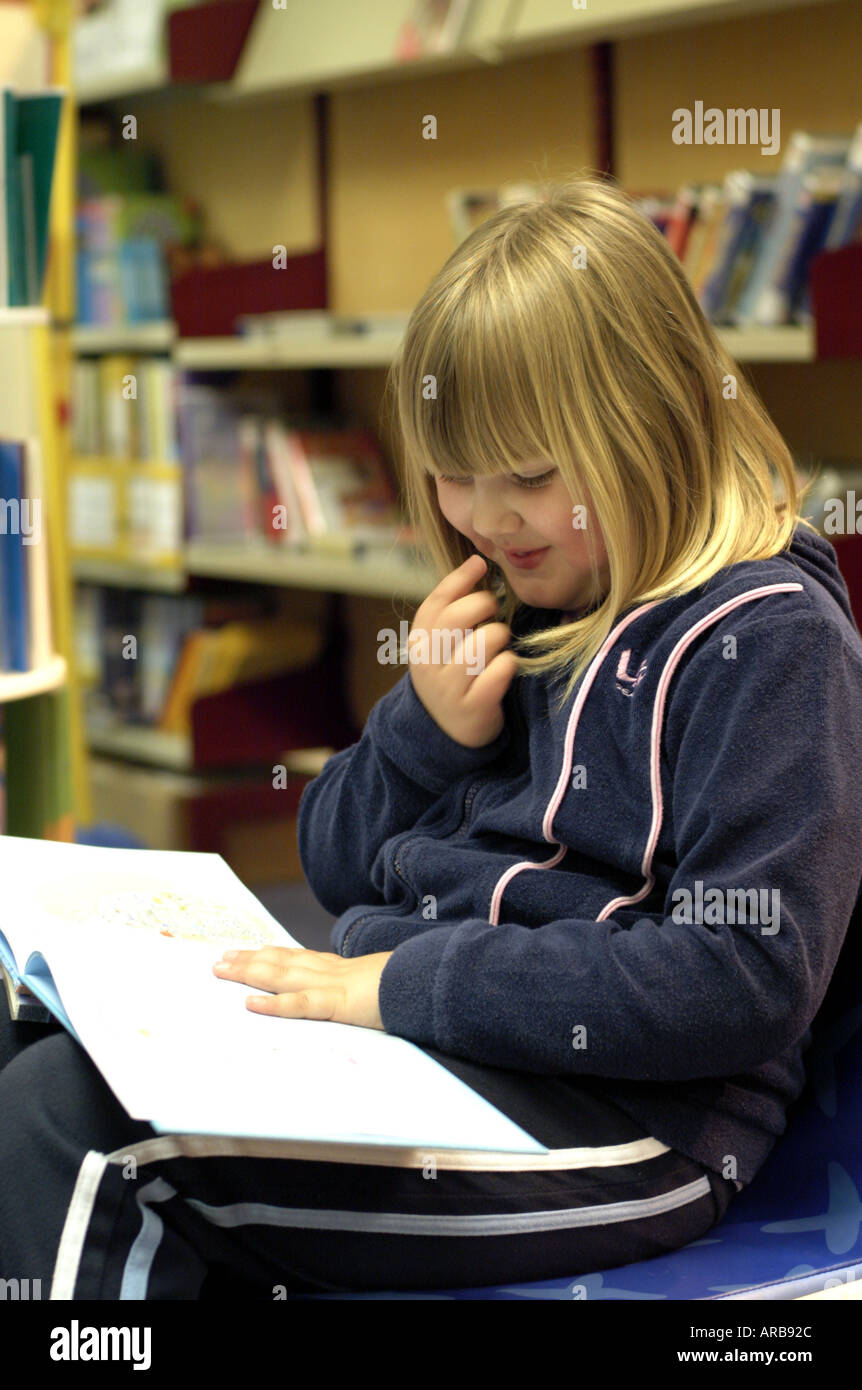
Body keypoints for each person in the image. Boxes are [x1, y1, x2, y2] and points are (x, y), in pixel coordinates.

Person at [2, 173, 862, 1300]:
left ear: (655, 421)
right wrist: (421, 730)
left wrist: (406, 980)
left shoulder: (770, 641)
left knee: (84, 1143)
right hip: (430, 1046)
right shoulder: (525, 589)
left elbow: (741, 976)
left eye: (531, 476)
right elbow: (335, 858)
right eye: (454, 474)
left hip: (639, 1121)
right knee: (32, 1046)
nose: (485, 514)